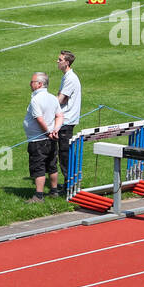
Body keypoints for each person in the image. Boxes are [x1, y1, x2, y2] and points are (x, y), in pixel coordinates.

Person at [23, 72, 62, 203]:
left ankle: (38, 196)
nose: (30, 84)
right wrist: (55, 130)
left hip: (38, 140)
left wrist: (48, 132)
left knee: (38, 166)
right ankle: (54, 191)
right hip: (50, 138)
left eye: (32, 82)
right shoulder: (52, 98)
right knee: (52, 164)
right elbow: (59, 116)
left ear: (39, 84)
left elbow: (39, 119)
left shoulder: (36, 100)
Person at [55, 51, 81, 192]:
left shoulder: (70, 78)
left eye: (59, 59)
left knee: (65, 153)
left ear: (67, 62)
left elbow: (61, 99)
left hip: (66, 120)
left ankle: (69, 184)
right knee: (65, 152)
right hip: (66, 118)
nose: (57, 61)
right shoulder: (67, 77)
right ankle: (69, 182)